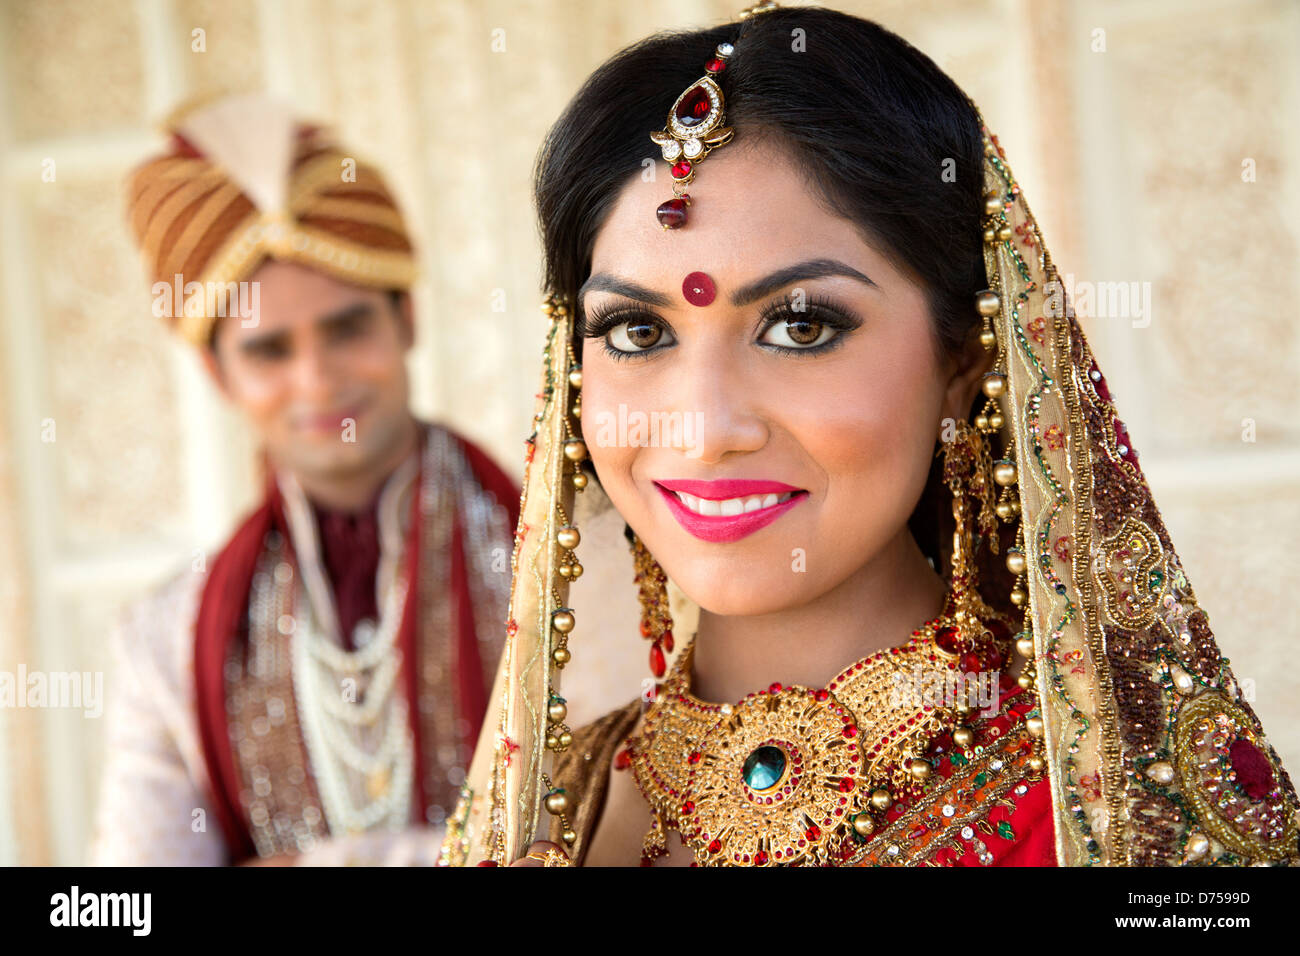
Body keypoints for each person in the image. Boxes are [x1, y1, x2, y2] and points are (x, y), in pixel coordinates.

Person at [441, 3, 1300, 867]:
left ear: (965, 365)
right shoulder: (551, 808)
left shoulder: (1122, 817)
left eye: (802, 326)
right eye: (636, 332)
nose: (703, 429)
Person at [90, 94, 519, 865]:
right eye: (269, 351)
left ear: (407, 320)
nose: (317, 381)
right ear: (218, 375)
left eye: (347, 328)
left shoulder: (576, 559)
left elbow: (619, 842)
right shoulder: (167, 637)